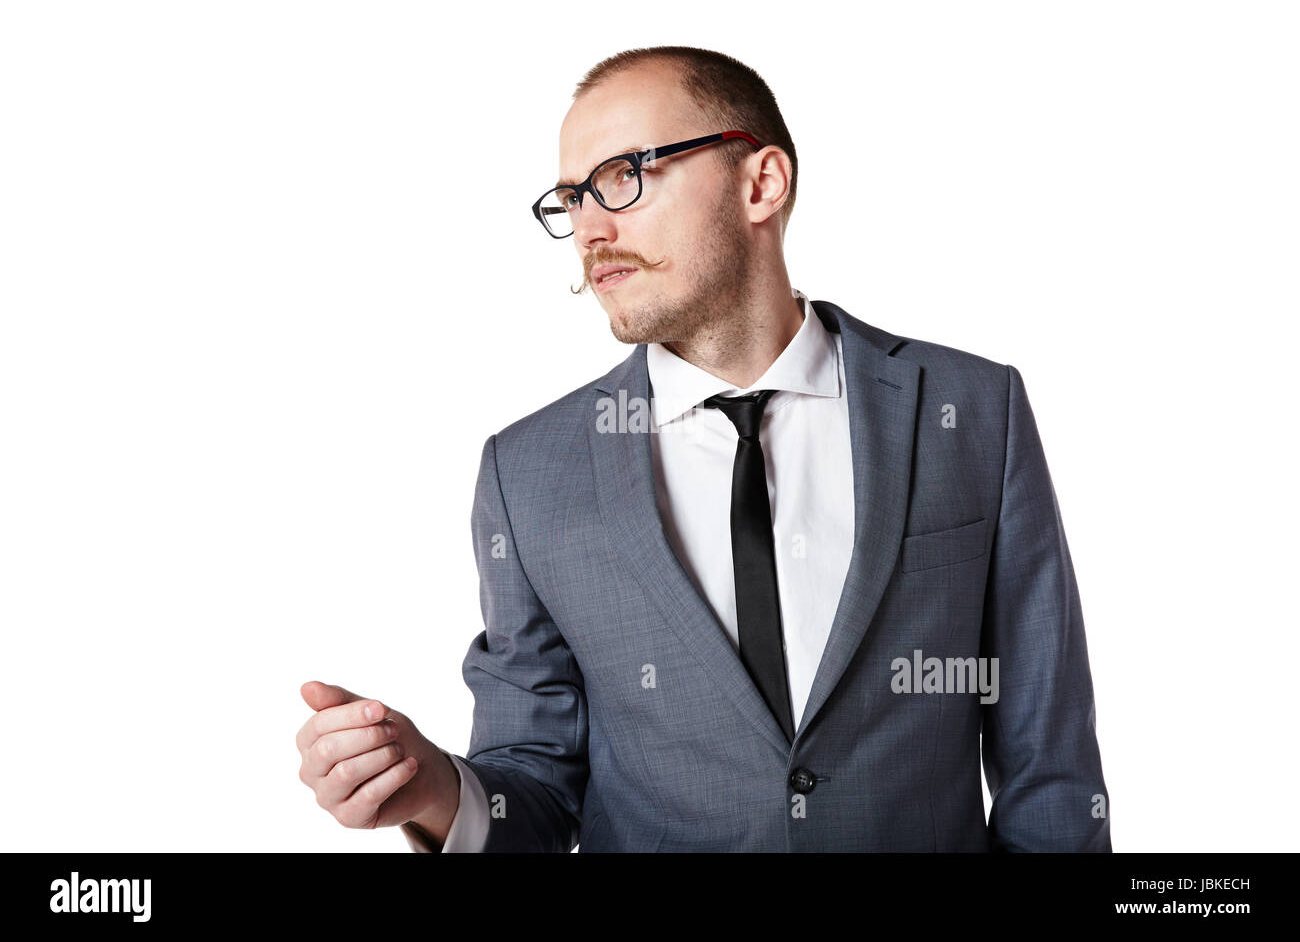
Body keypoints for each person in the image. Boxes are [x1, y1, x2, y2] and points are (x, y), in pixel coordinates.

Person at [295, 45, 1111, 852]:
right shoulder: (529, 473)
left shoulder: (972, 409)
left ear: (761, 183)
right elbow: (538, 788)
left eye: (624, 176)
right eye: (571, 197)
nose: (589, 227)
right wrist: (436, 791)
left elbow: (1052, 775)